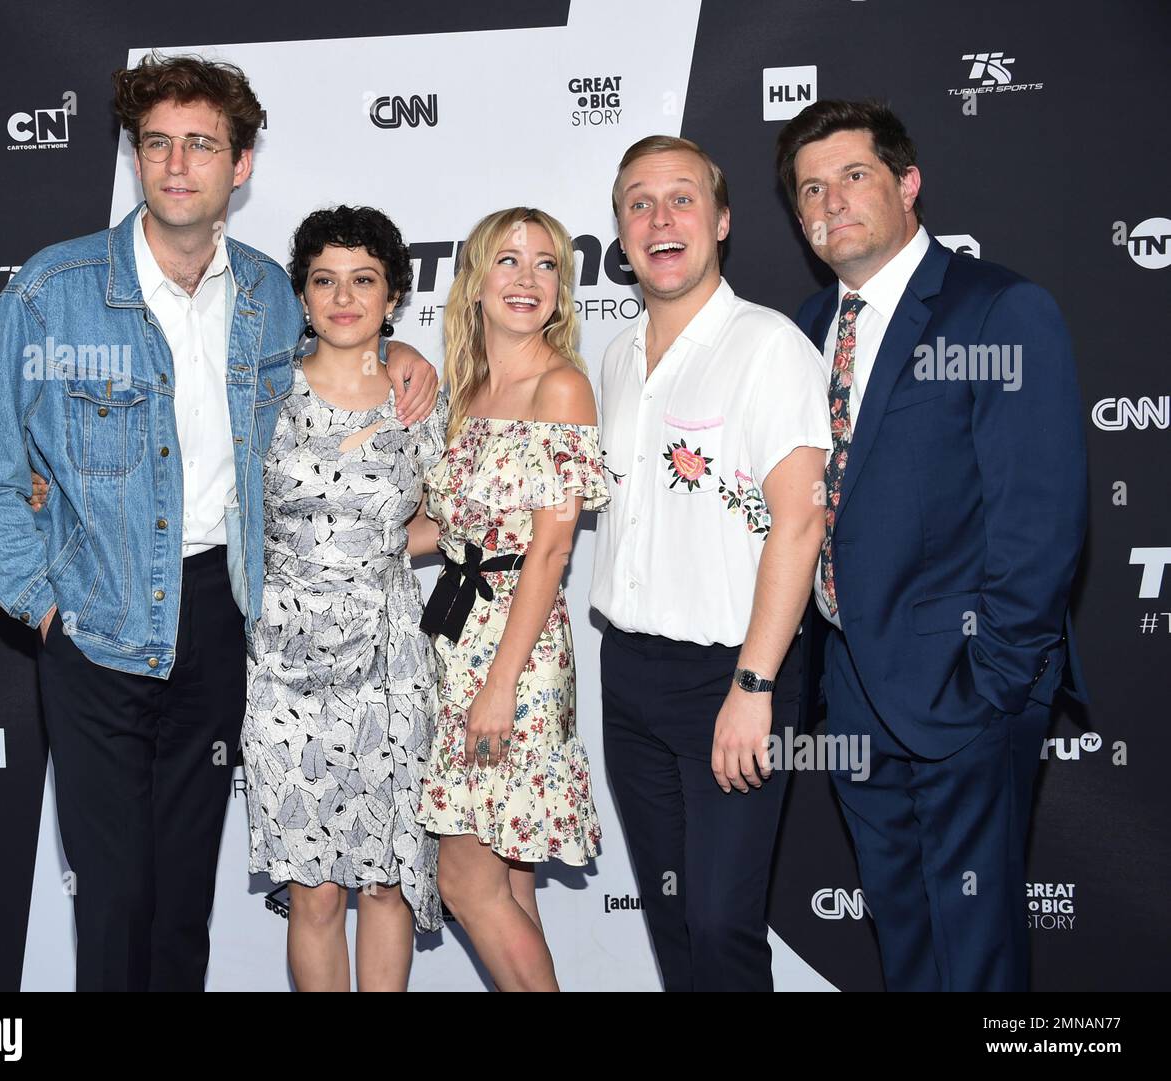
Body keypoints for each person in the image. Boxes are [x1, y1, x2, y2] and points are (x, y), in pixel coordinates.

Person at [0, 53, 437, 992]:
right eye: (158, 143)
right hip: (97, 619)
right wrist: (42, 603)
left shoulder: (266, 295)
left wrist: (398, 346)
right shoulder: (53, 291)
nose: (178, 164)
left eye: (202, 145)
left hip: (225, 616)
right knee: (116, 893)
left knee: (182, 899)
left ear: (240, 165)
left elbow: (340, 356)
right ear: (135, 156)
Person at [775, 99, 1087, 991]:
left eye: (854, 176)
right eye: (810, 189)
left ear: (909, 185)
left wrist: (994, 679)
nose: (830, 201)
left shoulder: (996, 312)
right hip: (853, 690)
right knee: (906, 939)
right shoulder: (804, 330)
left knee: (975, 951)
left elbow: (1040, 515)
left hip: (966, 688)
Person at [591, 135, 831, 992]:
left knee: (724, 926)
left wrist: (756, 685)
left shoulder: (767, 347)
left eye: (682, 198)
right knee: (675, 922)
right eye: (639, 202)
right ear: (619, 233)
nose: (661, 219)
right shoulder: (617, 360)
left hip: (733, 676)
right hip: (630, 679)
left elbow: (801, 521)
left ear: (722, 220)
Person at [241, 206, 446, 992]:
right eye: (324, 280)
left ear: (393, 294)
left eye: (364, 280)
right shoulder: (260, 399)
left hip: (391, 665)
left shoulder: (421, 401)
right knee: (314, 888)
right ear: (302, 294)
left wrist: (383, 544)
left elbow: (453, 520)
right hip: (285, 671)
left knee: (388, 880)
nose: (344, 297)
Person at [413, 207, 607, 992]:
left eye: (546, 264)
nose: (527, 279)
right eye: (508, 261)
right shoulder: (471, 388)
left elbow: (551, 547)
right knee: (509, 883)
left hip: (514, 657)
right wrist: (330, 544)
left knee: (463, 878)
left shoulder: (559, 386)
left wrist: (500, 683)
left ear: (562, 289)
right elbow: (443, 527)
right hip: (456, 636)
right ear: (476, 282)